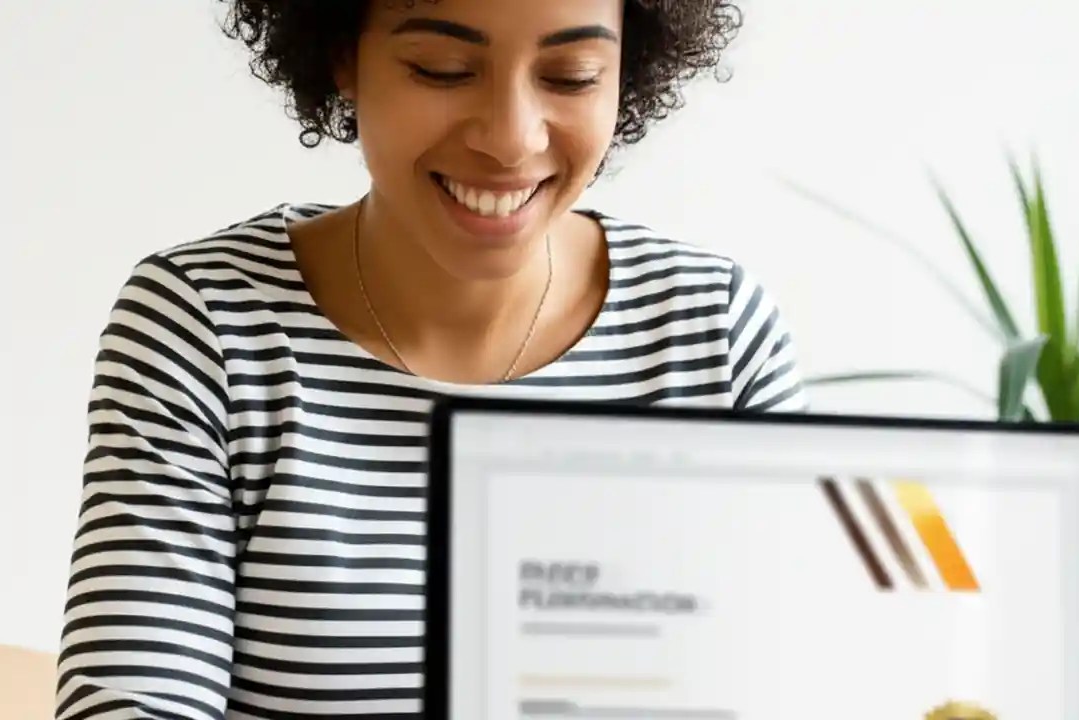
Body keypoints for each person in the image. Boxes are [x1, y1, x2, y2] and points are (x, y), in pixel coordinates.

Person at [54, 0, 807, 717]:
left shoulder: (713, 334)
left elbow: (792, 681)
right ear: (342, 56)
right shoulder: (208, 325)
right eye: (444, 68)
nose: (511, 139)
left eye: (571, 75)